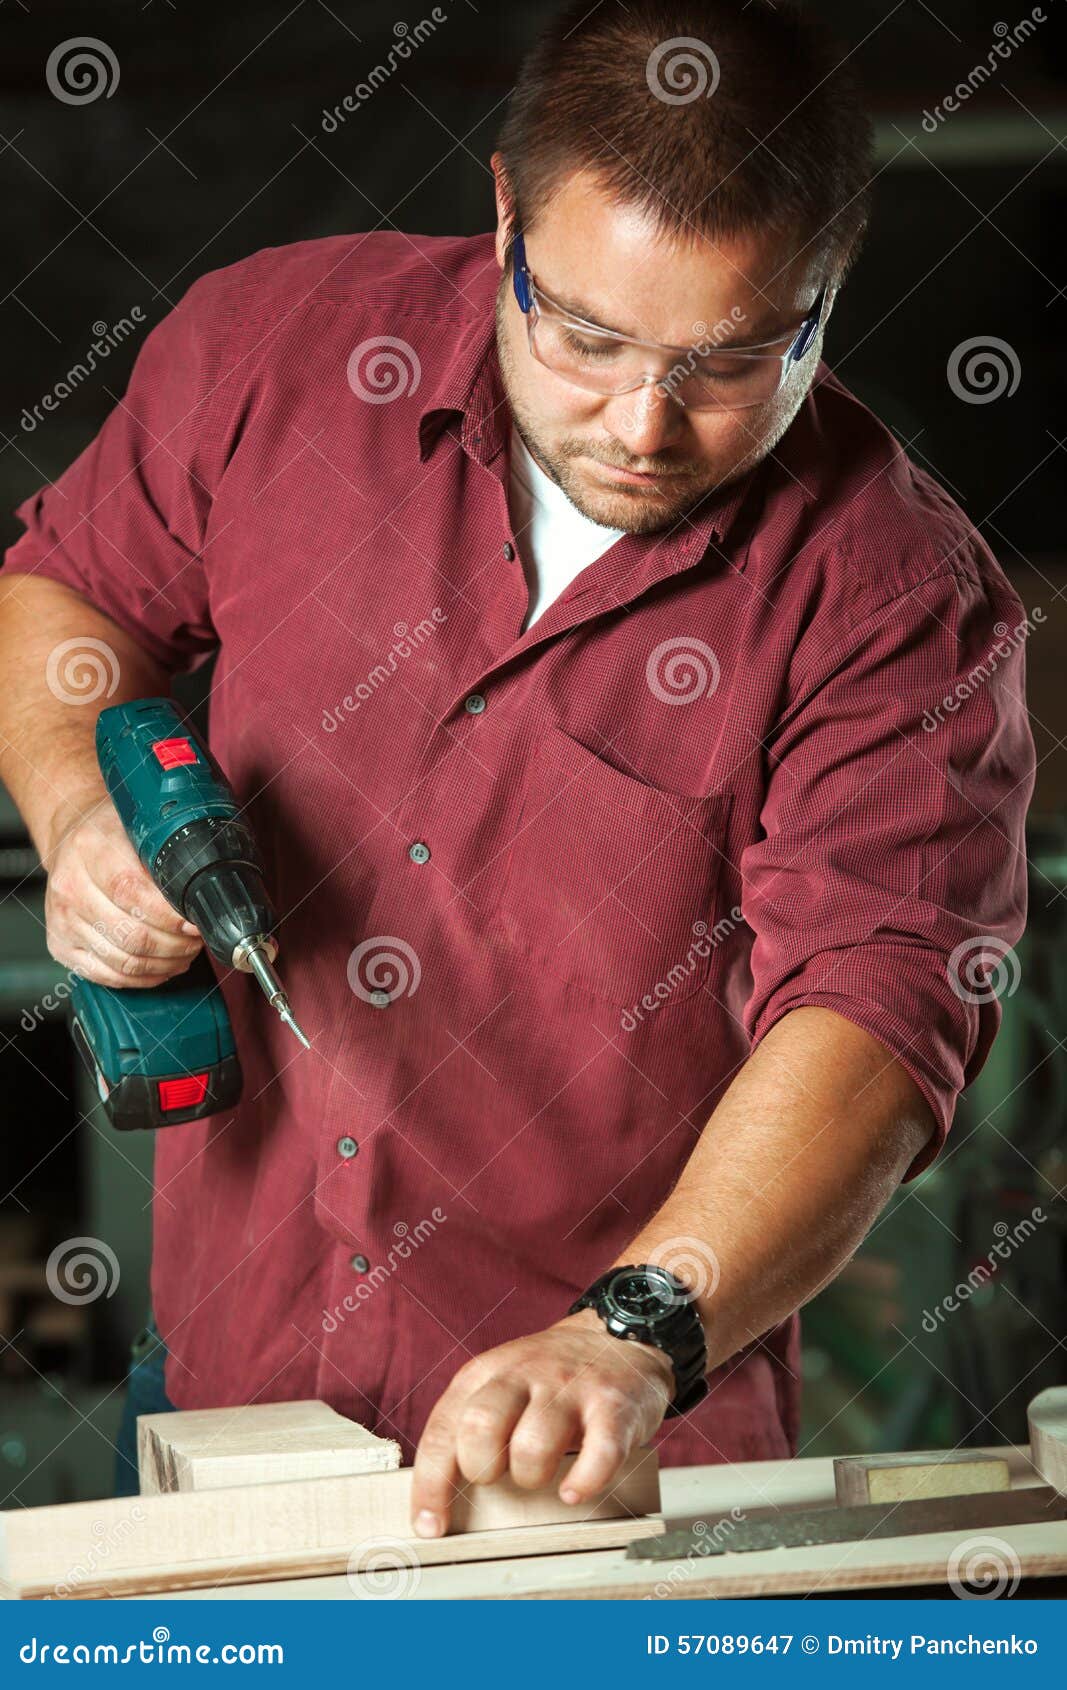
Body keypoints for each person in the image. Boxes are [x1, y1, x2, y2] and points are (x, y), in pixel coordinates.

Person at [0, 0, 1034, 1531]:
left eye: (732, 361)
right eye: (589, 336)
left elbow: (875, 1019)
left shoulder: (902, 608)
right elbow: (68, 588)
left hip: (610, 1468)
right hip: (231, 1395)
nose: (643, 423)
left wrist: (640, 1329)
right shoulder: (274, 350)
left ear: (827, 289)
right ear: (505, 217)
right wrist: (80, 810)